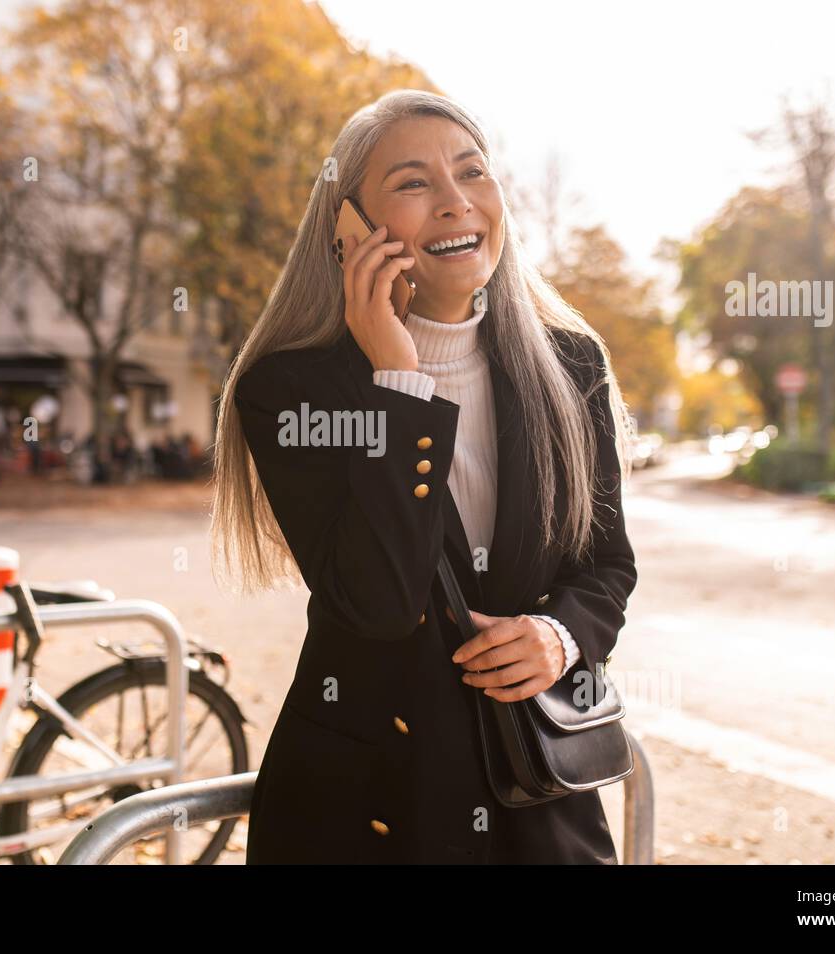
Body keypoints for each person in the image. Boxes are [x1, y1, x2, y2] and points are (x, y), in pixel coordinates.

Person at [210, 90, 638, 864]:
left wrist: (559, 636)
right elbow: (378, 604)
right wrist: (398, 384)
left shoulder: (572, 366)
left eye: (473, 173)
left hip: (536, 798)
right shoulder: (289, 390)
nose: (454, 202)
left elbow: (607, 565)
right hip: (368, 810)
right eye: (412, 184)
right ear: (349, 232)